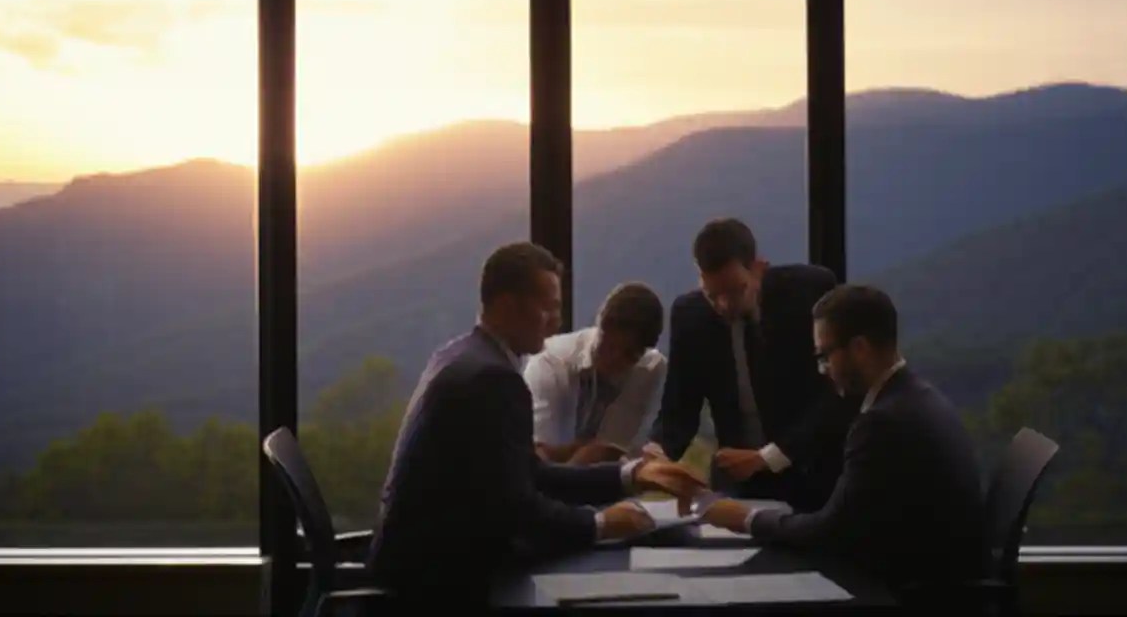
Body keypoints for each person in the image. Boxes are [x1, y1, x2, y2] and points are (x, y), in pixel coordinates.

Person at [367, 242, 706, 602]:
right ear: (508, 306)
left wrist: (631, 475)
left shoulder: (462, 355)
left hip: (422, 559)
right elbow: (516, 508)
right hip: (438, 580)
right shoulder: (492, 379)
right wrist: (601, 524)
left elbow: (529, 472)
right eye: (550, 307)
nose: (558, 321)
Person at [701, 284, 985, 592]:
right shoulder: (920, 398)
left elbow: (831, 532)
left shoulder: (882, 423)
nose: (823, 369)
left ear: (860, 348)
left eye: (825, 355)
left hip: (908, 593)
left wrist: (747, 518)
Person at [646, 218, 857, 510]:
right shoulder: (690, 317)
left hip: (816, 474)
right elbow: (679, 408)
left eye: (736, 290)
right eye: (712, 294)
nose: (724, 305)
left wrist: (767, 457)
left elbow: (838, 393)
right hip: (740, 484)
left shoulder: (808, 293)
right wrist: (656, 454)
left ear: (758, 269)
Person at [524, 282, 667, 465]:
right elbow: (540, 454)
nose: (613, 359)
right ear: (599, 327)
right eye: (608, 347)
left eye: (628, 355)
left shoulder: (649, 369)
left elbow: (611, 448)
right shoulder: (551, 361)